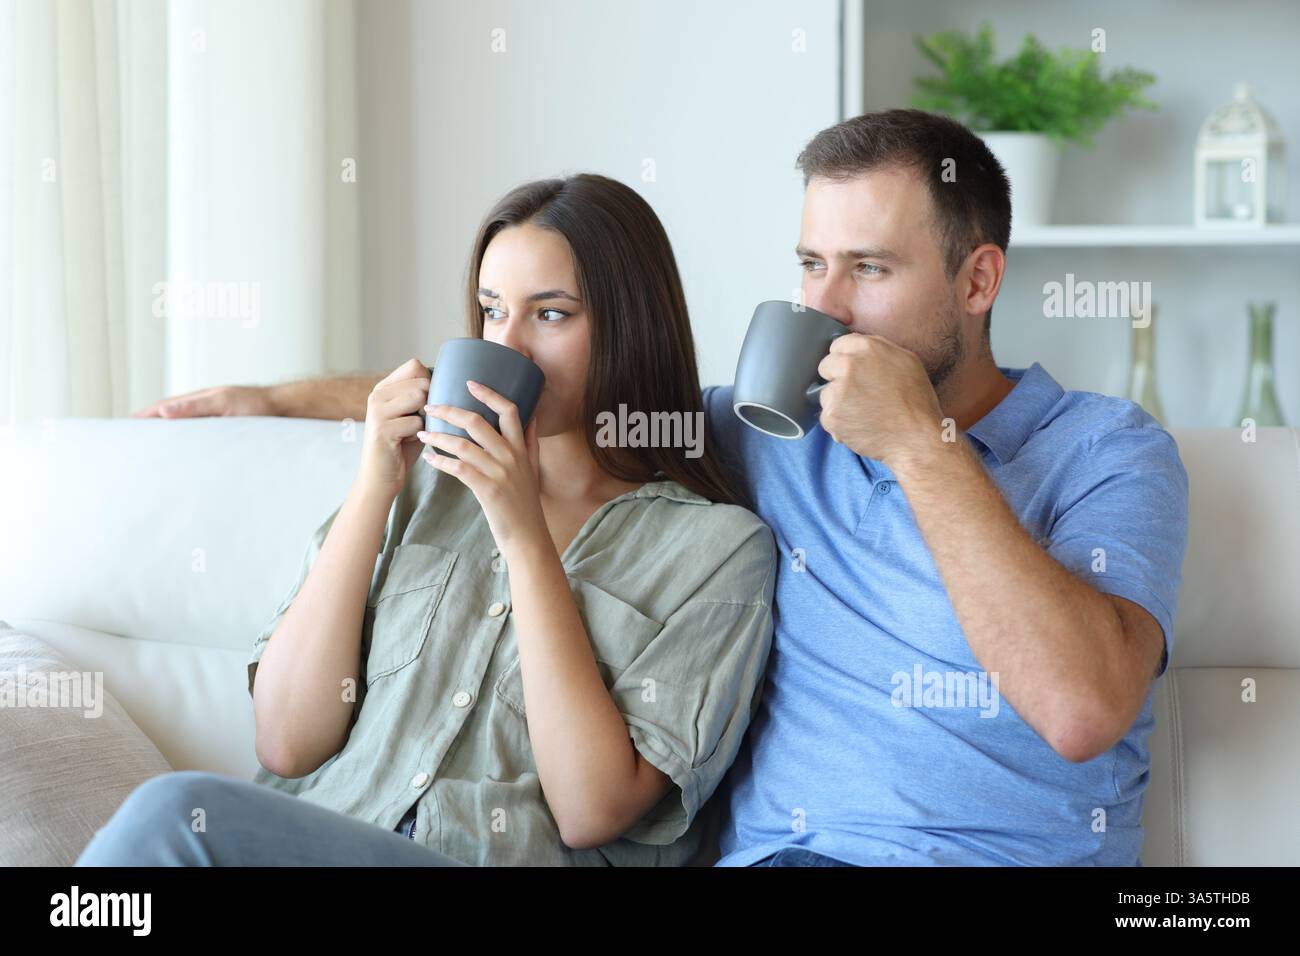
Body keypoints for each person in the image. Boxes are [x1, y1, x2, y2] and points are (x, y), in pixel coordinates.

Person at [126, 109, 1190, 868]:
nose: (823, 305)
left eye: (866, 269)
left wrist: (922, 447)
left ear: (976, 280)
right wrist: (277, 395)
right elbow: (553, 390)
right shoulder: (763, 431)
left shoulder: (1103, 450)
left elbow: (1082, 706)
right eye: (808, 263)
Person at [77, 174, 778, 867]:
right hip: (325, 841)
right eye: (491, 310)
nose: (511, 346)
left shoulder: (717, 551)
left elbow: (590, 811)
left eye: (552, 313)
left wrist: (522, 535)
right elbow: (287, 742)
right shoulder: (420, 490)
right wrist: (374, 486)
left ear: (632, 324)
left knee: (173, 815)